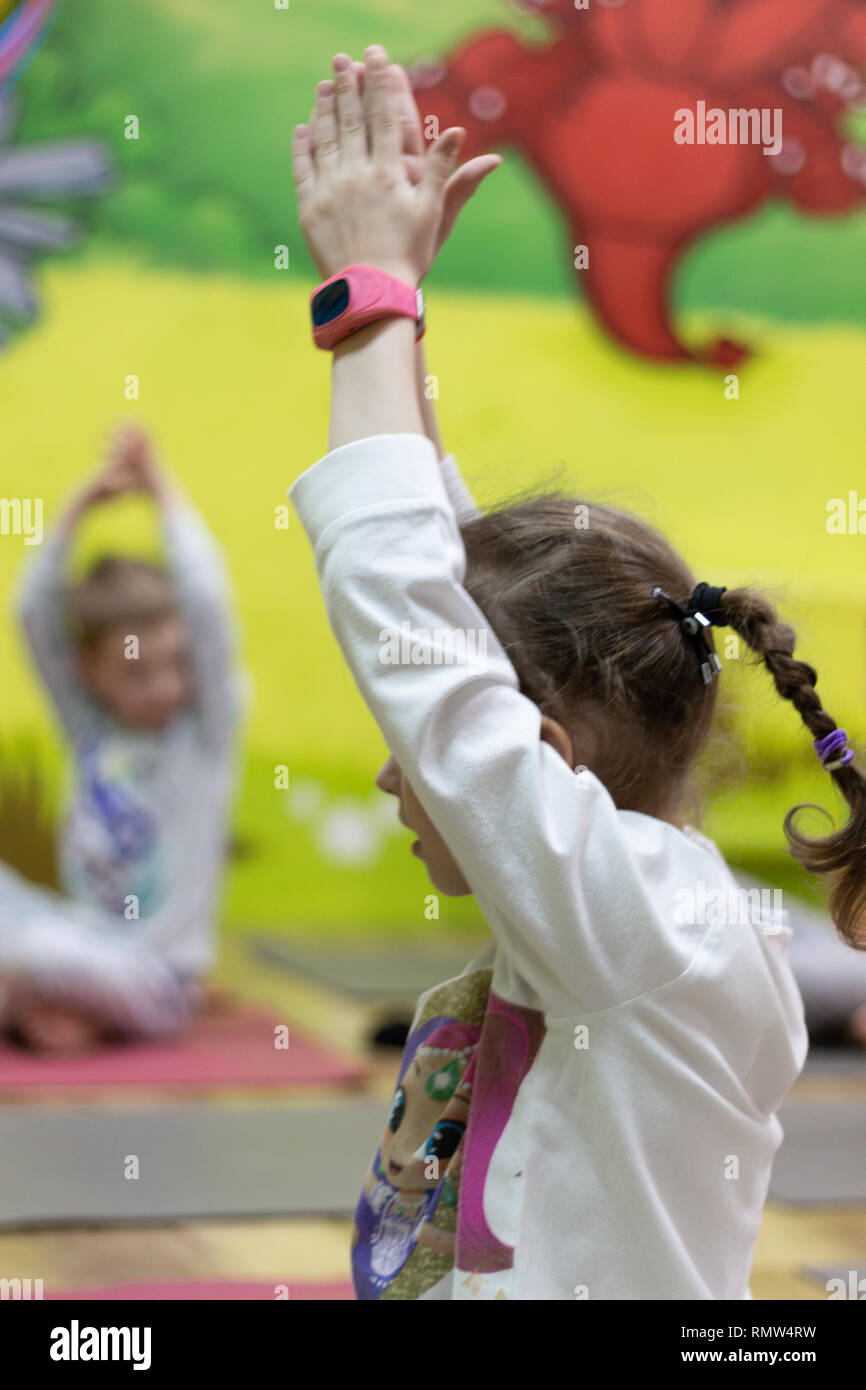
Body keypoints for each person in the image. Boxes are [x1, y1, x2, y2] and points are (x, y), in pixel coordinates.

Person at [287, 46, 866, 1300]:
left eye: (421, 741)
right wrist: (405, 313)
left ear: (544, 757)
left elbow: (417, 632)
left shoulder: (643, 925)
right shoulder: (622, 899)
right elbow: (443, 602)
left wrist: (367, 298)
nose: (398, 769)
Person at [0, 424, 241, 1052]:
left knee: (35, 950)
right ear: (89, 671)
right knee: (23, 922)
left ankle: (56, 1004)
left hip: (157, 976)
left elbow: (209, 605)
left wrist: (162, 491)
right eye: (136, 671)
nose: (164, 685)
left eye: (176, 663)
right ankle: (52, 1008)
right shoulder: (89, 726)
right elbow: (33, 614)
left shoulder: (205, 733)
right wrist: (81, 505)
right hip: (83, 935)